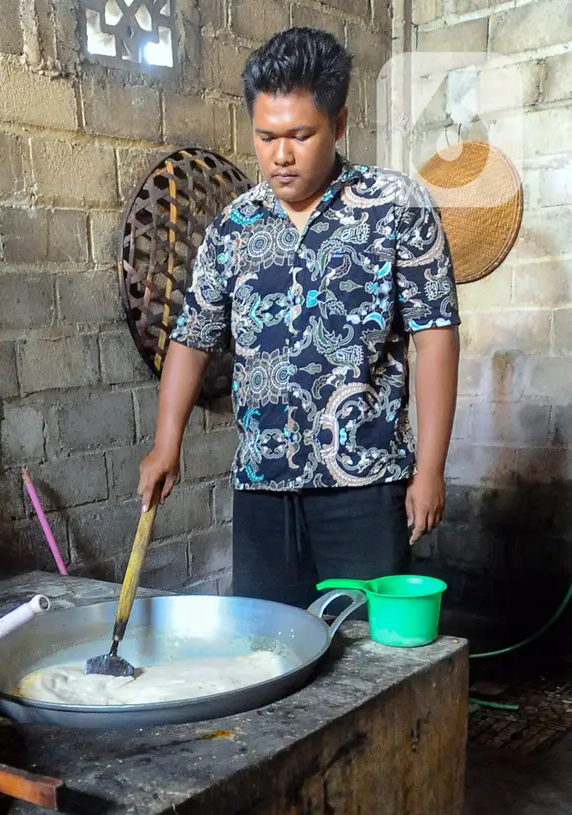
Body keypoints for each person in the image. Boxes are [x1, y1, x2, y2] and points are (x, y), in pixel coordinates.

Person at [138, 27, 460, 607]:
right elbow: (191, 338)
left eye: (299, 136)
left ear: (338, 125)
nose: (280, 156)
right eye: (265, 137)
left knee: (367, 660)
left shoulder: (396, 208)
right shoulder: (234, 228)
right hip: (262, 485)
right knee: (268, 650)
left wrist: (430, 468)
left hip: (365, 484)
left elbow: (435, 337)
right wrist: (167, 443)